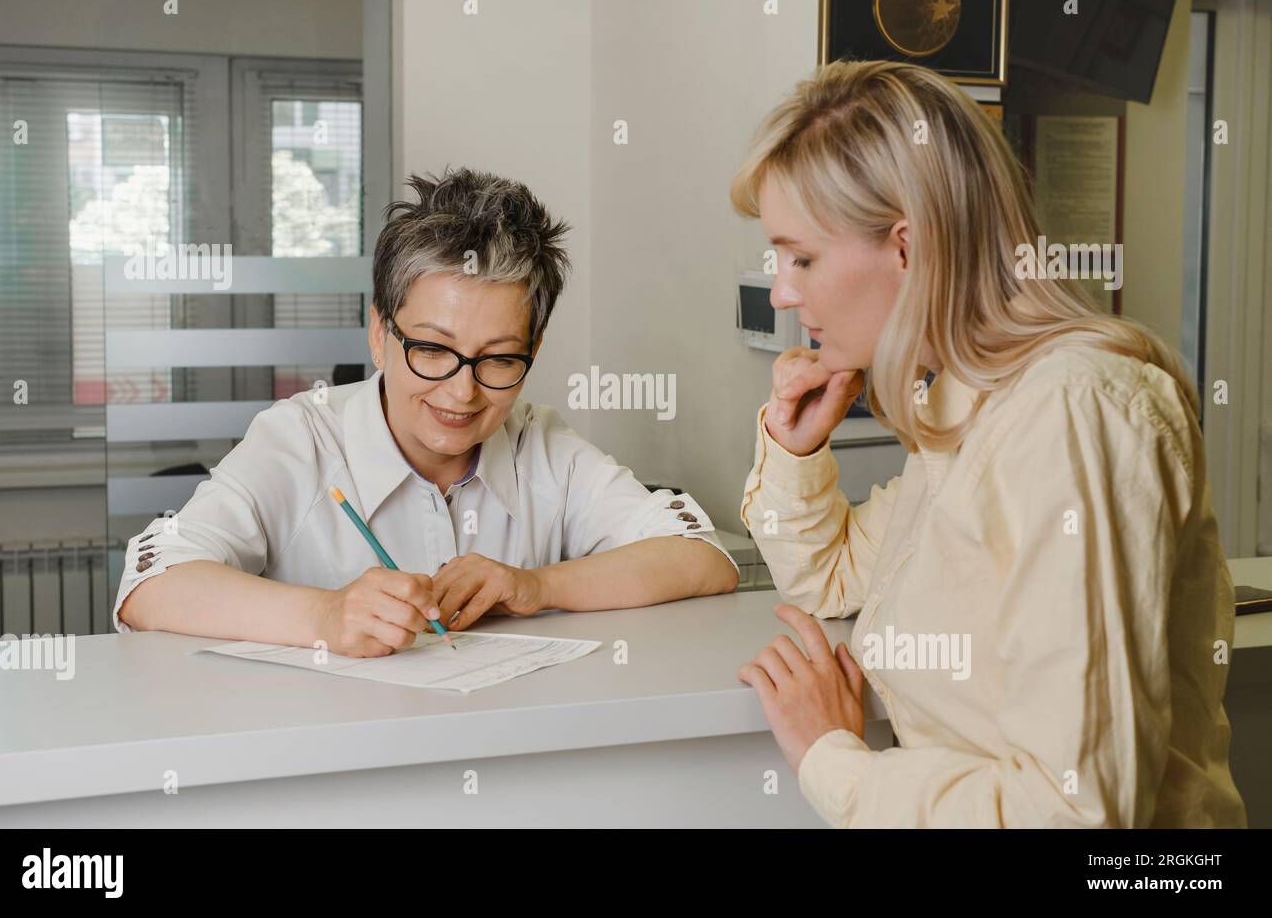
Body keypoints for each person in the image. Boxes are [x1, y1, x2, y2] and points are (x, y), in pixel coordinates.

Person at [733, 60, 1246, 827]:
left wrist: (832, 761)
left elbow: (1077, 811)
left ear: (907, 250)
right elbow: (832, 580)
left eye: (801, 257)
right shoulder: (965, 410)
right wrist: (795, 451)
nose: (781, 291)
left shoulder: (1071, 415)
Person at [116, 168, 739, 654]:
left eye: (499, 358)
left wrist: (537, 586)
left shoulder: (539, 443)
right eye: (433, 350)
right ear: (380, 334)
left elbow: (702, 556)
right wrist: (323, 616)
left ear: (533, 349)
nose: (462, 393)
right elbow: (151, 584)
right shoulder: (300, 438)